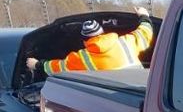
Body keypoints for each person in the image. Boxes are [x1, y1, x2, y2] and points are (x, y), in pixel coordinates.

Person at [26, 6, 154, 76]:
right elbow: (145, 32)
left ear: (84, 41)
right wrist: (144, 15)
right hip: (142, 93)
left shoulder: (83, 58)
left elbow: (57, 67)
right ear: (103, 33)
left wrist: (36, 64)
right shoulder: (125, 42)